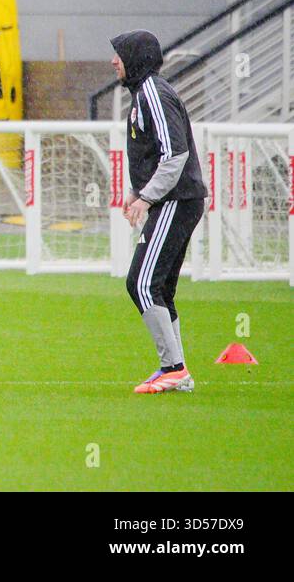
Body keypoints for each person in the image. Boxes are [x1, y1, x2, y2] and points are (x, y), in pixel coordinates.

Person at [111, 30, 208, 395]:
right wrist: (137, 191)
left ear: (134, 57)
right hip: (174, 199)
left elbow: (175, 154)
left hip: (176, 199)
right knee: (160, 287)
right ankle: (176, 371)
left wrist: (146, 198)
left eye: (118, 54)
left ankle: (174, 368)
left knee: (141, 282)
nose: (113, 61)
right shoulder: (144, 94)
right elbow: (153, 153)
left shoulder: (153, 93)